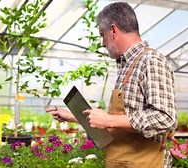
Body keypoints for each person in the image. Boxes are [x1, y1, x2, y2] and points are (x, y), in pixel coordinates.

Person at [46, 2, 177, 168]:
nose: (102, 43)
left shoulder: (150, 61)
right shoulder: (127, 65)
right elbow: (121, 122)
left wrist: (108, 120)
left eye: (102, 35)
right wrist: (75, 116)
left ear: (113, 31)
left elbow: (165, 118)